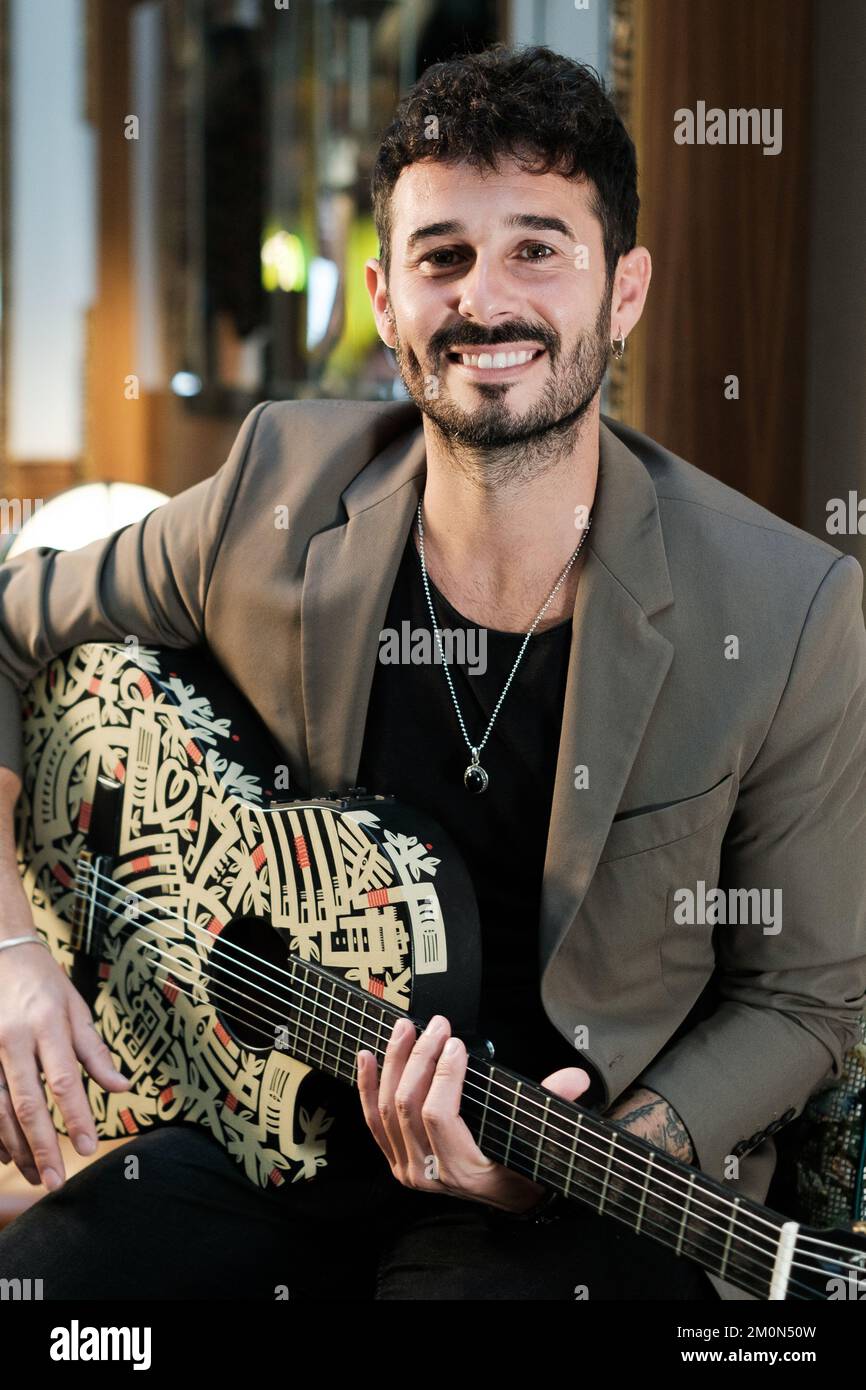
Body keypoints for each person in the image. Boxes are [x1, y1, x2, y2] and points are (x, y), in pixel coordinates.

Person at [0, 43, 864, 1302]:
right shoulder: (276, 492)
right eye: (442, 255)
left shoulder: (785, 608)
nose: (485, 299)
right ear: (386, 296)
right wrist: (13, 951)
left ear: (622, 291)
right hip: (260, 1132)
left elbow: (803, 993)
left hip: (571, 1192)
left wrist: (616, 1152)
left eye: (537, 248)